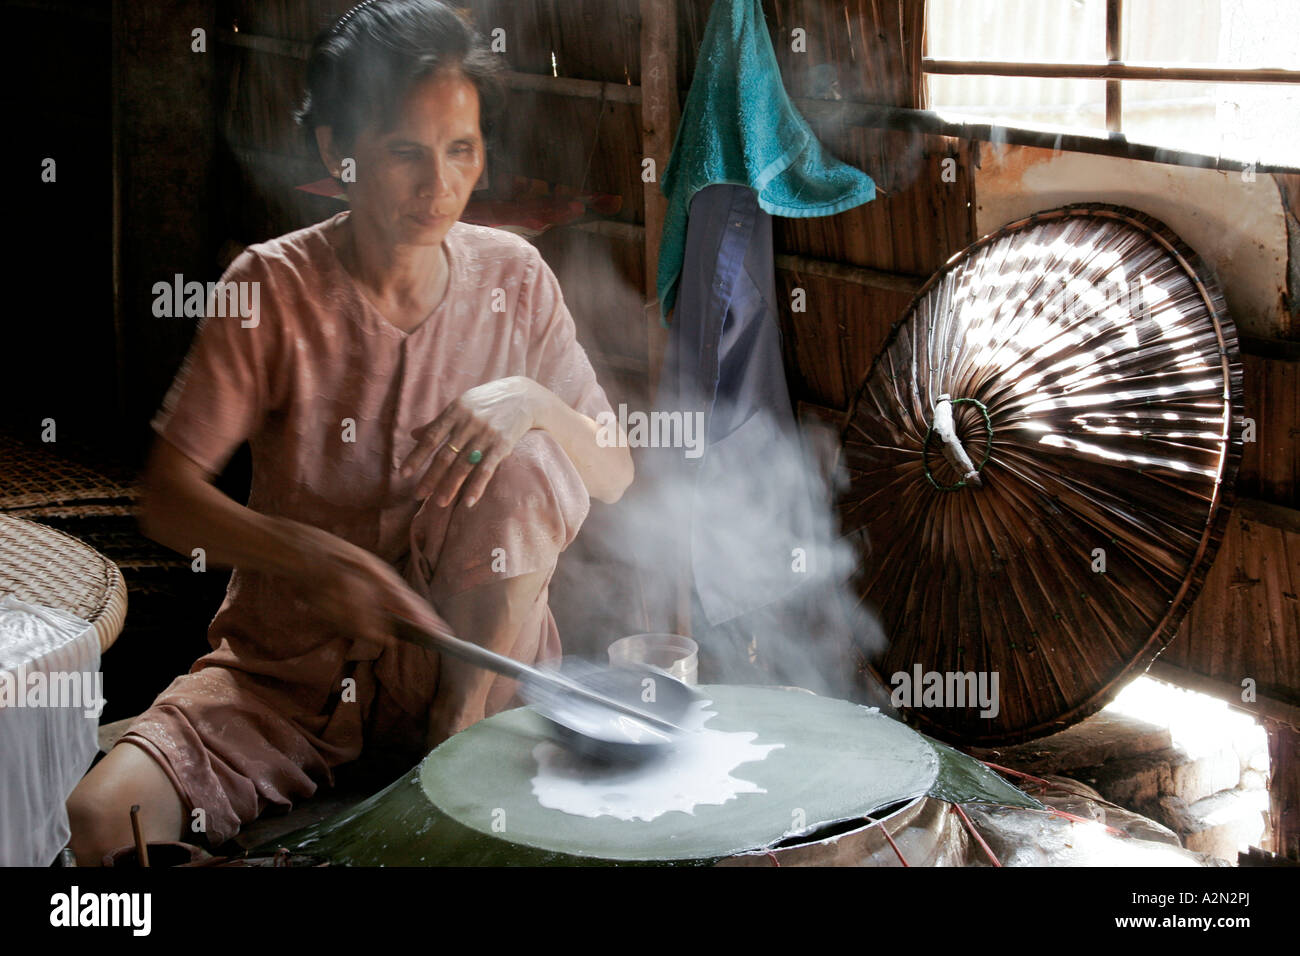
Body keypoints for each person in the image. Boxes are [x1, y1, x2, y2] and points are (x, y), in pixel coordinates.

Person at [66, 0, 632, 864]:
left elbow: (614, 473)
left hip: (478, 691)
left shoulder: (514, 279)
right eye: (405, 150)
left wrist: (533, 400)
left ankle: (453, 744)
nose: (438, 185)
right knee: (104, 821)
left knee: (524, 466)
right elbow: (167, 503)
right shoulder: (273, 288)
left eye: (460, 150)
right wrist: (308, 557)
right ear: (339, 152)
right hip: (288, 680)